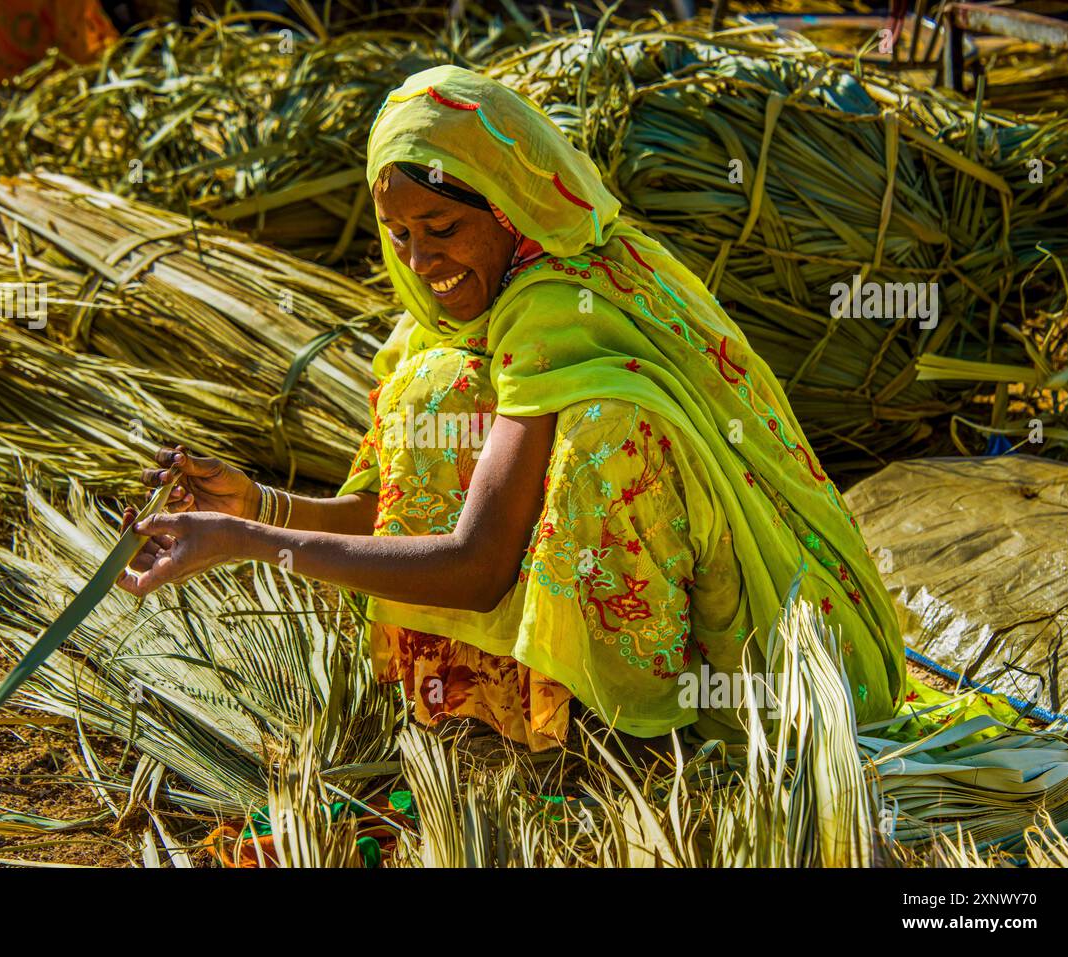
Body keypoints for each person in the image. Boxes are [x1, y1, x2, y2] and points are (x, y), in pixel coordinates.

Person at [116, 65, 904, 753]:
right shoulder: (452, 319)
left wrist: (248, 541)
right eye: (399, 237)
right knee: (438, 386)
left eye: (443, 229)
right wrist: (261, 503)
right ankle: (492, 702)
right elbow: (397, 517)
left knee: (608, 430)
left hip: (768, 681)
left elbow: (479, 564)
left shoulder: (562, 304)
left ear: (507, 204)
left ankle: (626, 725)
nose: (422, 264)